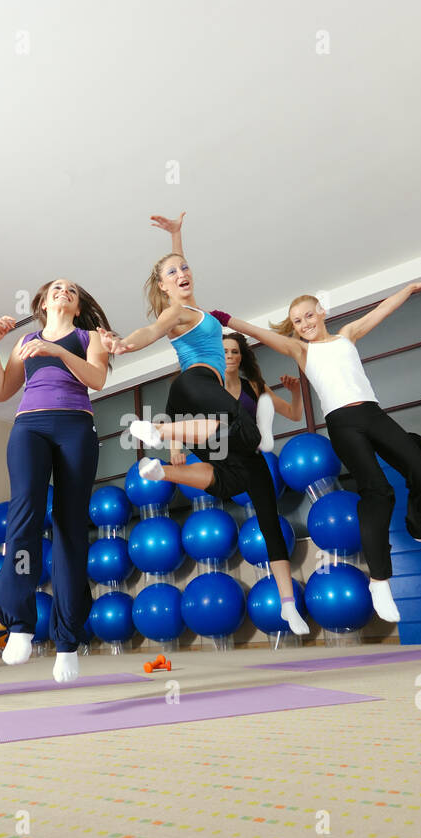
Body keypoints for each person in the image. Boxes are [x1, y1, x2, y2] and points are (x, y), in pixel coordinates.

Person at [102, 214, 308, 636]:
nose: (182, 274)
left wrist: (176, 237)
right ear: (162, 286)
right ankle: (159, 431)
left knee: (244, 487)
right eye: (172, 272)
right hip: (194, 386)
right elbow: (152, 329)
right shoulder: (176, 310)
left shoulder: (193, 305)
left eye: (185, 268)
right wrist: (125, 344)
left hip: (199, 411)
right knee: (235, 422)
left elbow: (180, 266)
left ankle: (289, 605)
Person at [217, 285, 421, 623]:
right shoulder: (302, 352)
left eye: (308, 316)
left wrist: (412, 288)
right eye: (297, 321)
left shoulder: (347, 335)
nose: (304, 324)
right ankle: (380, 581)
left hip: (373, 414)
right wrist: (227, 319)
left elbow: (383, 309)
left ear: (321, 312)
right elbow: (258, 332)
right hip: (343, 423)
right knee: (378, 492)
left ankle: (420, 529)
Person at [0, 279, 113, 682]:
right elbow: (3, 390)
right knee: (24, 517)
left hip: (76, 427)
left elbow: (97, 379)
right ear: (42, 302)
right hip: (29, 428)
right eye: (56, 288)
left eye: (71, 290)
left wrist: (57, 350)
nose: (64, 291)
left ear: (77, 307)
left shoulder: (88, 336)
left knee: (70, 528)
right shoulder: (25, 341)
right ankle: (20, 623)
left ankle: (66, 639)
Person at [222, 331, 302, 451]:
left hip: (252, 457)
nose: (230, 356)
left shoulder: (255, 387)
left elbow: (294, 415)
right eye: (224, 351)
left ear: (241, 357)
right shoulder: (208, 389)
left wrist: (296, 392)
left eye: (235, 352)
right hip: (222, 459)